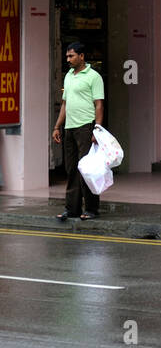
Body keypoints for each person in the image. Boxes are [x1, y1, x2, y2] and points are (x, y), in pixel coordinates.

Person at [52, 42, 104, 222]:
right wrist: (57, 126)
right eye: (67, 56)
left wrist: (96, 128)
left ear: (82, 56)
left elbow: (99, 104)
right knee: (72, 169)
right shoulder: (68, 76)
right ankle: (71, 209)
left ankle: (91, 208)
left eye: (71, 56)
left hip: (85, 127)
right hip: (70, 128)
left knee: (87, 170)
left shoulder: (94, 76)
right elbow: (65, 104)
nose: (68, 59)